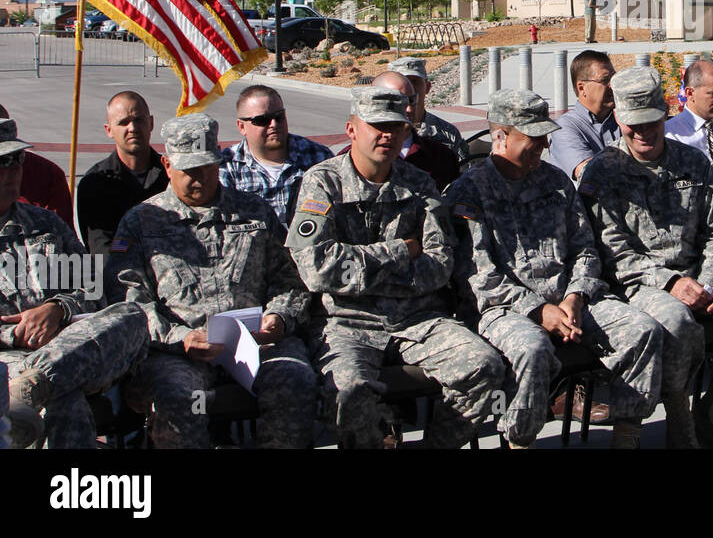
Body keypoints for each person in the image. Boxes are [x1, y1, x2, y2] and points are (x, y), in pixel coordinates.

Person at [580, 67, 713, 448]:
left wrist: (711, 282)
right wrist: (672, 283)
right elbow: (612, 252)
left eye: (651, 123)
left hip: (701, 277)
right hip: (639, 287)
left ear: (665, 115)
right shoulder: (604, 172)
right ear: (619, 121)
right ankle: (681, 416)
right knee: (677, 322)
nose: (643, 133)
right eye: (633, 126)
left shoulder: (692, 164)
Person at [286, 86, 504, 449]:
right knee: (349, 390)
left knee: (483, 366)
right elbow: (316, 268)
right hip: (348, 323)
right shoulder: (323, 182)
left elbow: (440, 265)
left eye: (395, 126)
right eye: (376, 125)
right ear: (352, 128)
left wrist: (362, 274)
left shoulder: (418, 184)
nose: (386, 134)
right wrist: (399, 252)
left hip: (417, 319)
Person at [449, 88, 662, 449]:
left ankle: (627, 435)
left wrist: (576, 296)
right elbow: (478, 275)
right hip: (503, 309)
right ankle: (521, 441)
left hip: (570, 301)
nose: (542, 146)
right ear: (500, 136)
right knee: (532, 348)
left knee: (641, 329)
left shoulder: (556, 181)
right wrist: (538, 310)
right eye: (531, 139)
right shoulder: (469, 191)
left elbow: (585, 248)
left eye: (544, 137)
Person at [107, 113, 318, 448]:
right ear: (167, 164)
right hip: (178, 353)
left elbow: (291, 278)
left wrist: (280, 317)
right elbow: (128, 299)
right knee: (185, 400)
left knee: (294, 380)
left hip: (257, 342)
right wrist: (180, 338)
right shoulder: (142, 222)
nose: (199, 178)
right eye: (188, 169)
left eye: (206, 166)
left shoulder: (253, 212)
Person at [0, 118, 149, 448]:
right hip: (7, 359)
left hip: (71, 348)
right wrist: (19, 330)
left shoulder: (44, 223)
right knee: (64, 402)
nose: (12, 171)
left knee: (131, 314)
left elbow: (93, 288)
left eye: (17, 160)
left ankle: (35, 383)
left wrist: (58, 309)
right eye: (2, 162)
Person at [219, 85, 333, 229]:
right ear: (242, 127)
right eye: (262, 120)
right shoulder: (227, 167)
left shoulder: (318, 157)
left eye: (279, 117)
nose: (273, 124)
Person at [76, 91, 167, 255]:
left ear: (151, 123)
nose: (132, 128)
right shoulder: (95, 184)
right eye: (123, 123)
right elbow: (102, 248)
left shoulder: (172, 175)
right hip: (121, 274)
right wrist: (136, 246)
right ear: (109, 130)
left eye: (138, 120)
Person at [549, 50, 621, 183]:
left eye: (614, 78)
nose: (613, 85)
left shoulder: (623, 118)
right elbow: (588, 172)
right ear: (582, 88)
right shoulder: (565, 127)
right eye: (605, 80)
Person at [0, 102, 73, 228]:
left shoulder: (47, 175)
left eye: (19, 156)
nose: (16, 167)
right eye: (4, 160)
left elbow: (116, 245)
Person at [388, 57, 470, 164]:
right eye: (404, 81)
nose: (410, 88)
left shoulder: (448, 134)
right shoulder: (383, 134)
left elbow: (462, 173)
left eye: (415, 81)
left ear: (427, 87)